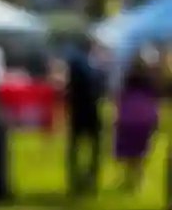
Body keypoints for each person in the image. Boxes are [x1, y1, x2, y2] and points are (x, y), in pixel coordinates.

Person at [114, 48, 161, 193]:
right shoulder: (150, 83)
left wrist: (118, 117)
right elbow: (153, 103)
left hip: (128, 119)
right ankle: (138, 181)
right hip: (143, 119)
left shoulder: (127, 82)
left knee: (129, 151)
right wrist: (155, 120)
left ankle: (130, 180)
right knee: (140, 152)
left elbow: (120, 100)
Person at [63, 41, 105, 196]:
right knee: (94, 146)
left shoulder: (75, 64)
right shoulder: (93, 66)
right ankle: (91, 178)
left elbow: (69, 89)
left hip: (78, 109)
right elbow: (100, 87)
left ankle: (75, 178)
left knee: (76, 145)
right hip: (90, 109)